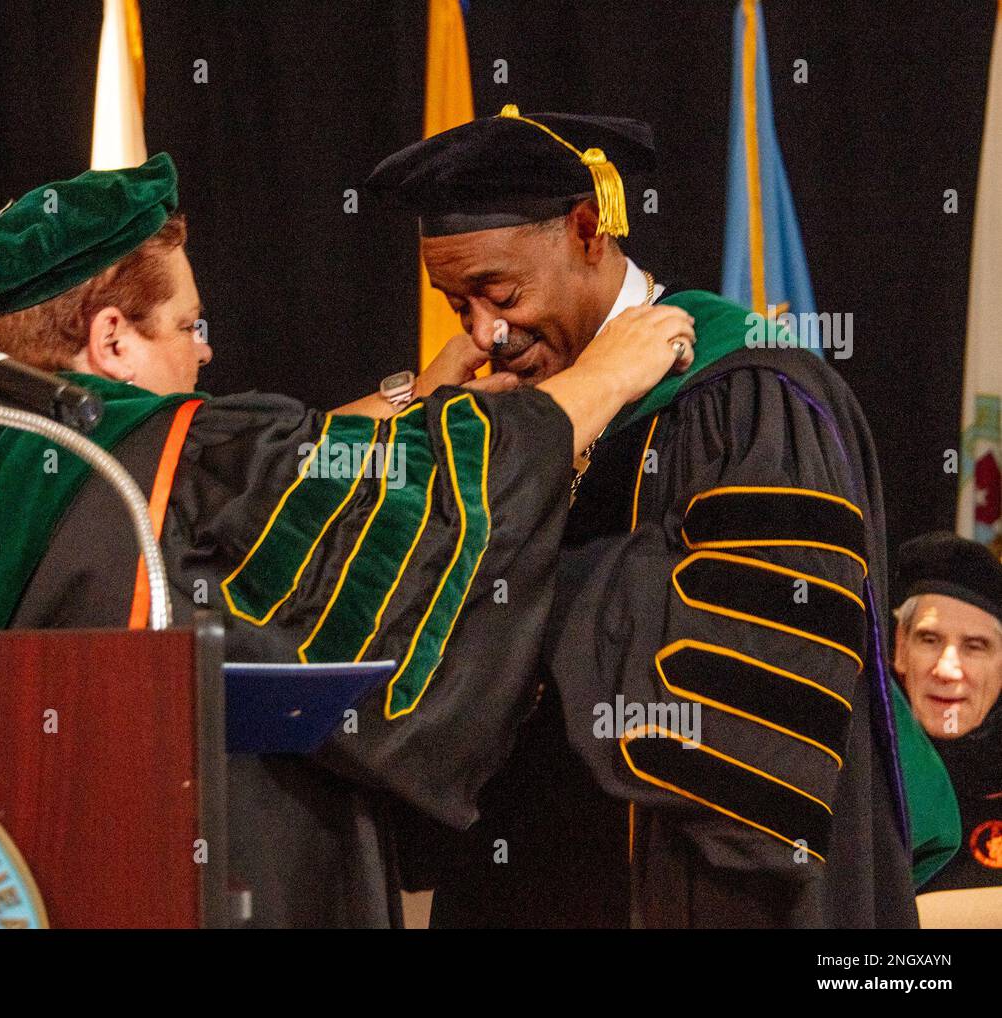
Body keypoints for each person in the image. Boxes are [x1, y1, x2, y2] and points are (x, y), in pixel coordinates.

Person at [0, 151, 696, 927]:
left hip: (26, 877)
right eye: (190, 326)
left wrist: (411, 397)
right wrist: (609, 373)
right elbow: (426, 486)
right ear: (113, 339)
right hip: (201, 879)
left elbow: (285, 472)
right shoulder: (163, 455)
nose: (208, 349)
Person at [367, 104, 953, 927]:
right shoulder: (500, 420)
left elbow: (758, 658)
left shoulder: (746, 394)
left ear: (585, 230)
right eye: (455, 302)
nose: (483, 332)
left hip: (694, 885)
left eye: (499, 292)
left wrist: (510, 598)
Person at [893, 532, 1002, 924]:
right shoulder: (858, 770)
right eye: (929, 639)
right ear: (899, 647)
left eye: (975, 646)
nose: (948, 669)